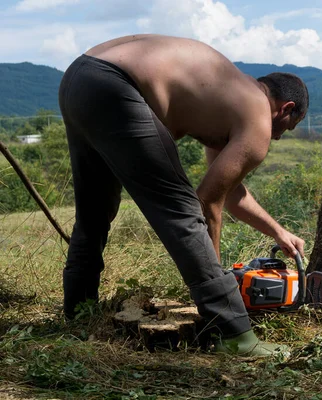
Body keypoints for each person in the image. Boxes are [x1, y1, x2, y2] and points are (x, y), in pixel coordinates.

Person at [58, 34, 308, 355]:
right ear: (286, 109)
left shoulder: (229, 93)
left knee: (94, 212)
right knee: (179, 209)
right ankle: (233, 334)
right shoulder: (259, 116)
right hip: (117, 84)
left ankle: (78, 317)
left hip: (80, 77)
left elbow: (229, 193)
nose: (276, 138)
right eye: (284, 129)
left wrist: (278, 232)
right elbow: (205, 203)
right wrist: (219, 287)